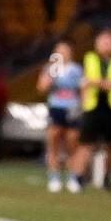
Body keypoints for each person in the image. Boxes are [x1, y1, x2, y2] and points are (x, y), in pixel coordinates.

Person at [69, 29, 111, 192]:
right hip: (94, 106)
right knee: (86, 143)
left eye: (109, 42)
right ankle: (77, 177)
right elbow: (83, 81)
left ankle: (108, 177)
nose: (106, 45)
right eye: (103, 42)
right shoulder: (89, 58)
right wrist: (98, 84)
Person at [36, 41, 82, 193]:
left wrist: (83, 107)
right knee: (53, 142)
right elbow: (41, 87)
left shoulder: (76, 70)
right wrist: (50, 75)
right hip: (56, 108)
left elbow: (83, 89)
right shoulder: (50, 69)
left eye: (65, 51)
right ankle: (54, 177)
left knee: (72, 144)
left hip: (72, 109)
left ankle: (72, 177)